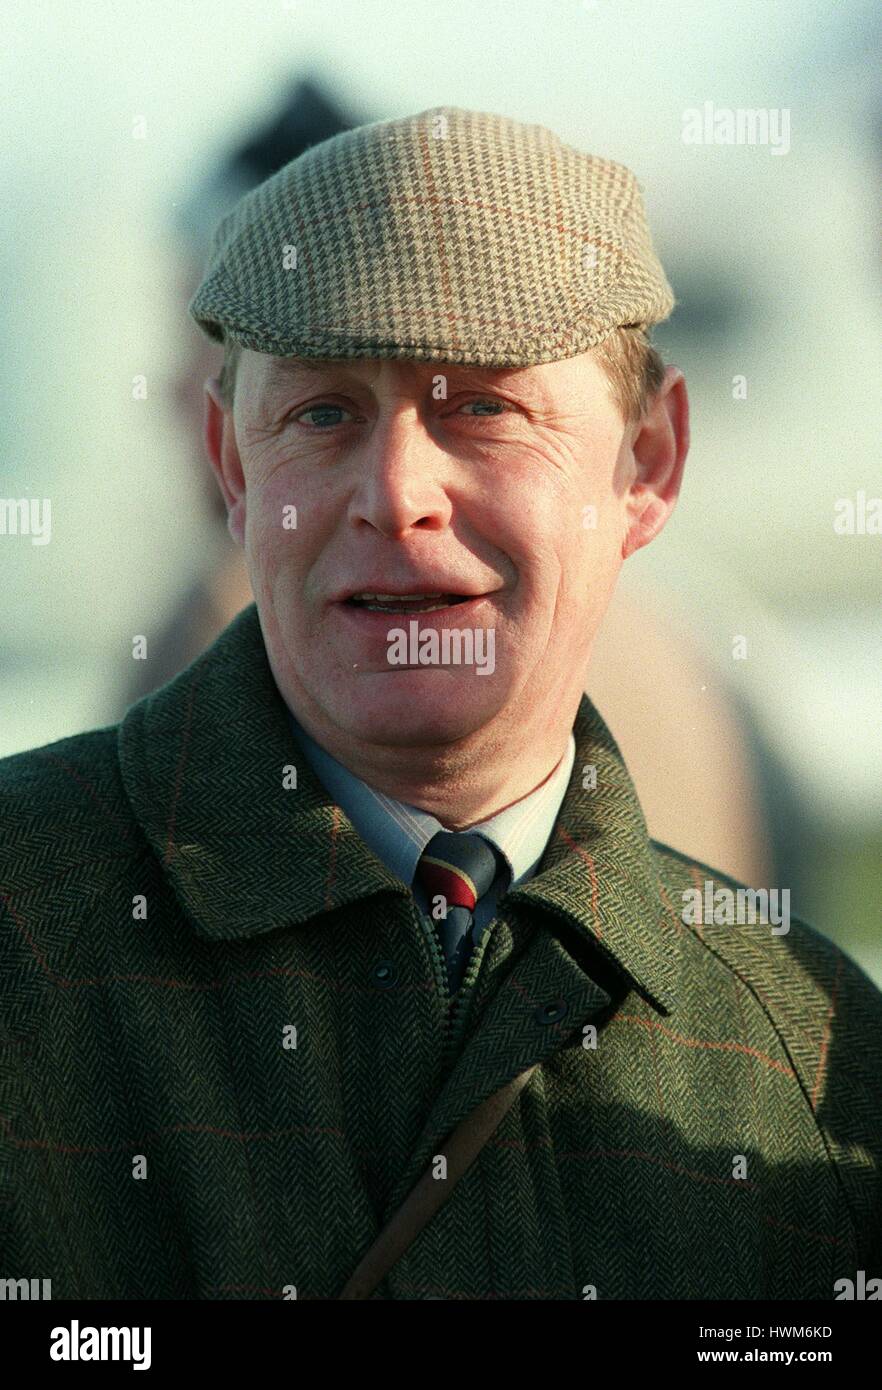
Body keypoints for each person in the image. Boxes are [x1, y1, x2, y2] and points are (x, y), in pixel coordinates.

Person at [1, 106, 879, 1301]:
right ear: (234, 464)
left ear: (649, 464)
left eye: (484, 409)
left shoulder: (813, 1049)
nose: (398, 492)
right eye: (323, 412)